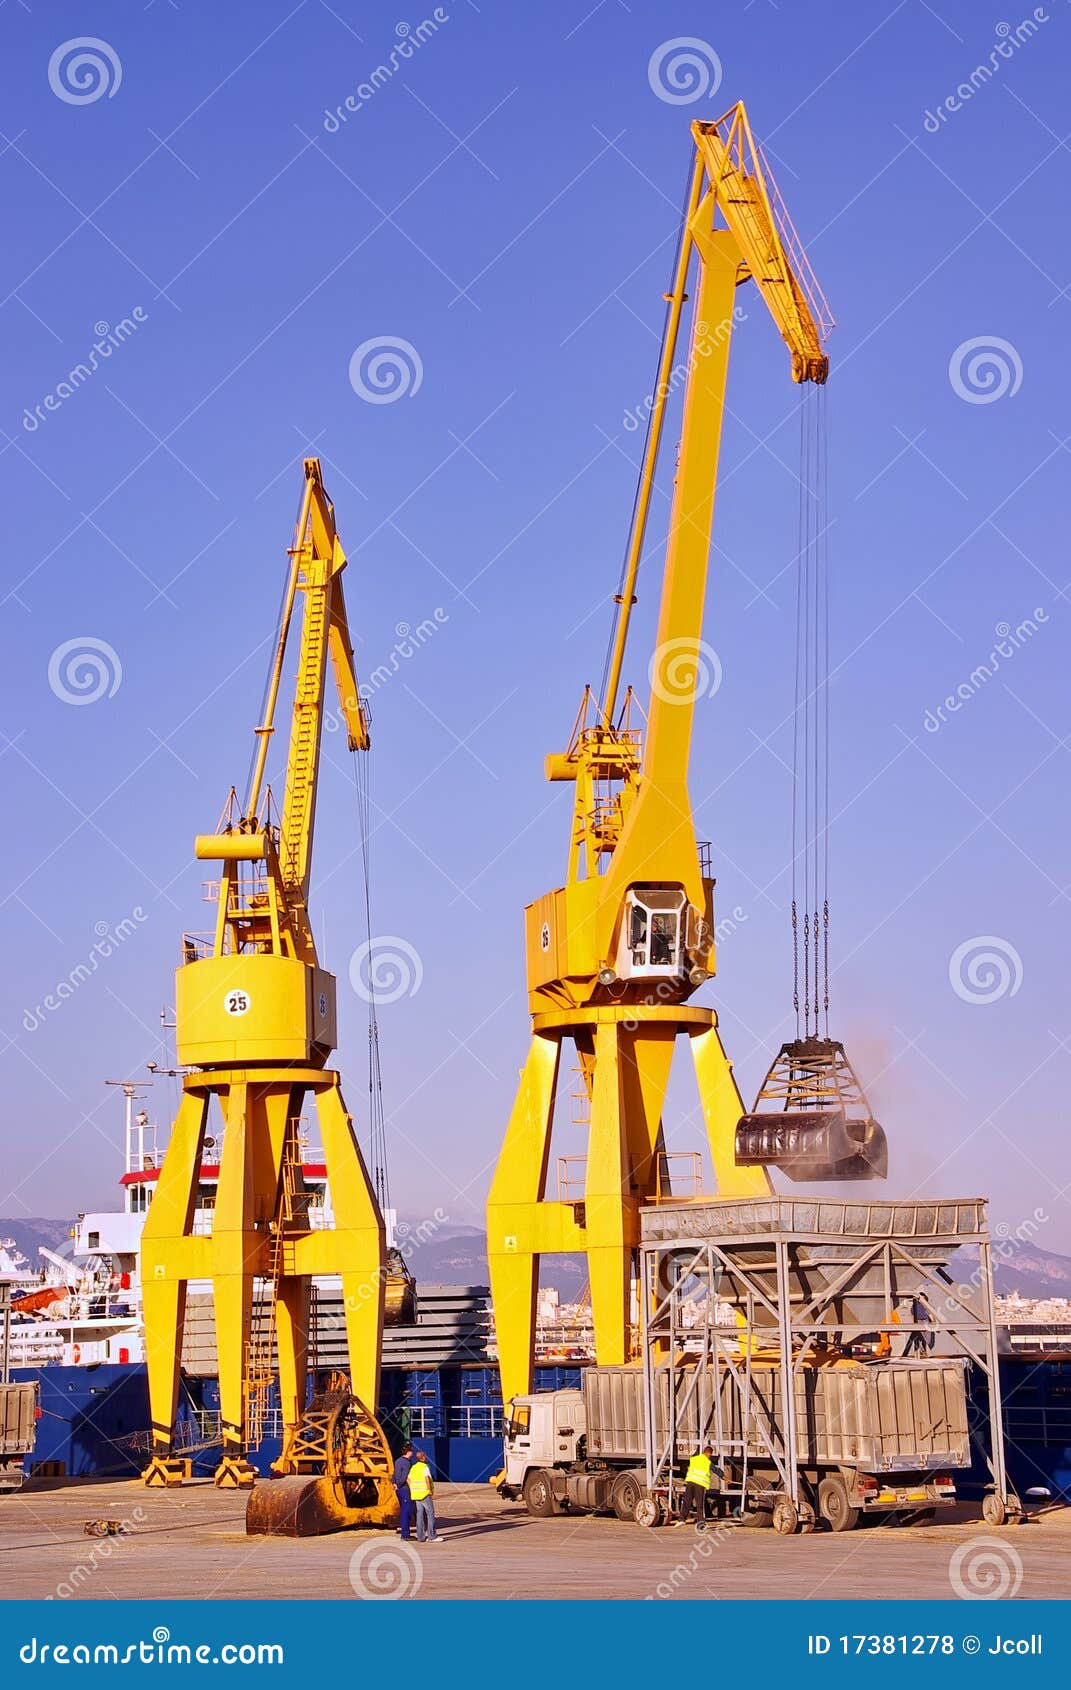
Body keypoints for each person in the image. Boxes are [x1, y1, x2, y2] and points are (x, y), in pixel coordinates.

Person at [676, 1444, 718, 1528]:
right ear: (709, 1453)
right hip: (699, 1484)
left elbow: (696, 1452)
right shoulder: (707, 1462)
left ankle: (681, 1519)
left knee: (687, 1501)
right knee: (699, 1505)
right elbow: (716, 1470)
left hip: (690, 1482)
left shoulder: (694, 1458)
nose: (710, 1456)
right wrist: (724, 1477)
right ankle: (700, 1523)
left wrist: (699, 1445)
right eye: (711, 1454)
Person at [408, 1451, 442, 1542]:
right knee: (430, 1514)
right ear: (423, 1457)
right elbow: (427, 1478)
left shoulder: (413, 1467)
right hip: (424, 1494)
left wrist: (412, 1488)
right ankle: (432, 1536)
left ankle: (420, 1537)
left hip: (416, 1494)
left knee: (419, 1515)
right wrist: (429, 1489)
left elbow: (408, 1479)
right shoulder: (424, 1467)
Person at [392, 1442, 414, 1542]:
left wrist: (394, 1483)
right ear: (409, 1452)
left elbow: (394, 1474)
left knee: (403, 1511)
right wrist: (399, 1484)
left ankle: (405, 1533)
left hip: (398, 1489)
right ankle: (405, 1535)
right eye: (412, 1451)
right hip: (404, 1489)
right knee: (407, 1511)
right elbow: (405, 1476)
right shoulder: (407, 1463)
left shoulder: (397, 1460)